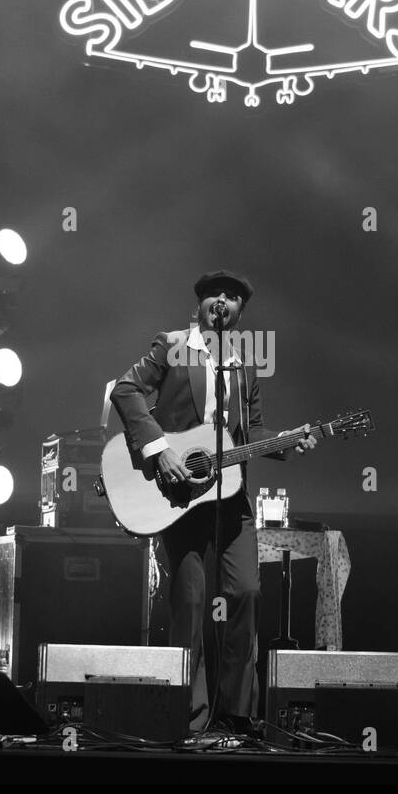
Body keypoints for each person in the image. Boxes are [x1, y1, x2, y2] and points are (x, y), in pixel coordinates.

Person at [110, 270, 315, 733]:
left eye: (234, 298)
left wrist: (286, 440)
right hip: (180, 499)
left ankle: (237, 714)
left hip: (231, 499)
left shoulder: (244, 365)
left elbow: (252, 433)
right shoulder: (173, 344)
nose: (223, 301)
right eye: (215, 295)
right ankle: (189, 716)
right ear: (201, 304)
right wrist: (159, 449)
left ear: (241, 313)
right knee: (191, 602)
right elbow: (126, 390)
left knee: (246, 592)